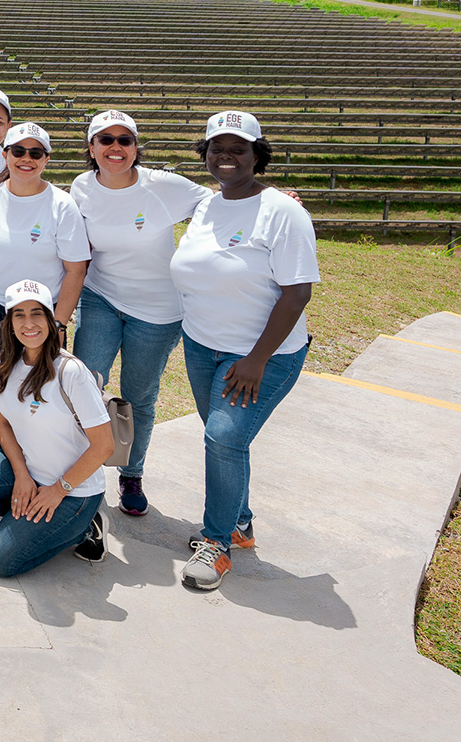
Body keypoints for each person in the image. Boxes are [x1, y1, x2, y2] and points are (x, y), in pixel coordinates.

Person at [173, 111, 319, 592]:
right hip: (201, 345)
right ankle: (240, 521)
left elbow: (297, 293)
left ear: (259, 155)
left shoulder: (284, 212)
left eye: (238, 149)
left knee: (223, 439)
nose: (226, 157)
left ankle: (216, 544)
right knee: (226, 441)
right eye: (217, 148)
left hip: (261, 357)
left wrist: (256, 360)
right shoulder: (208, 205)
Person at [69, 108, 210, 517]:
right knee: (85, 382)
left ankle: (132, 473)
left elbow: (220, 204)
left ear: (136, 147)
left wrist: (274, 198)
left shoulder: (163, 186)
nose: (116, 148)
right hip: (100, 298)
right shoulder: (81, 187)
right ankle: (80, 471)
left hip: (158, 309)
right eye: (106, 140)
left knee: (138, 396)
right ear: (91, 147)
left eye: (124, 140)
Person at [0, 280, 112, 577]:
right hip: (28, 471)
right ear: (9, 322)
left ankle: (85, 526)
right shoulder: (7, 363)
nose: (28, 323)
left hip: (73, 490)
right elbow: (3, 423)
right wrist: (21, 475)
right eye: (19, 315)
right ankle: (26, 515)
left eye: (37, 313)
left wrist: (57, 490)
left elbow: (104, 446)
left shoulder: (70, 372)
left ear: (51, 319)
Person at [0, 121, 90, 448]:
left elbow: (75, 271)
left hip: (42, 313)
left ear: (46, 160)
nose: (26, 158)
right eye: (18, 151)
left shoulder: (62, 204)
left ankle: (23, 452)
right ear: (5, 155)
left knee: (34, 384)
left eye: (35, 152)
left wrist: (58, 322)